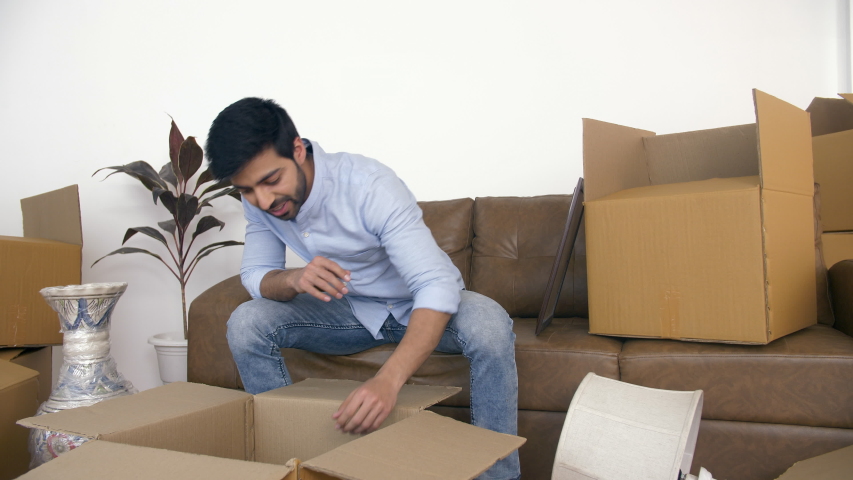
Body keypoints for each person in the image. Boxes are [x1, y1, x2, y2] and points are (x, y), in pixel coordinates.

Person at [205, 98, 520, 480]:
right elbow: (256, 273)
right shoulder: (258, 201)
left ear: (299, 149)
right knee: (246, 323)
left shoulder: (369, 185)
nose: (264, 200)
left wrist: (388, 380)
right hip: (349, 310)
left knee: (489, 324)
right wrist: (293, 278)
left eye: (272, 181)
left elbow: (435, 285)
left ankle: (499, 475)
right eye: (248, 190)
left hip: (415, 307)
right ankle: (296, 466)